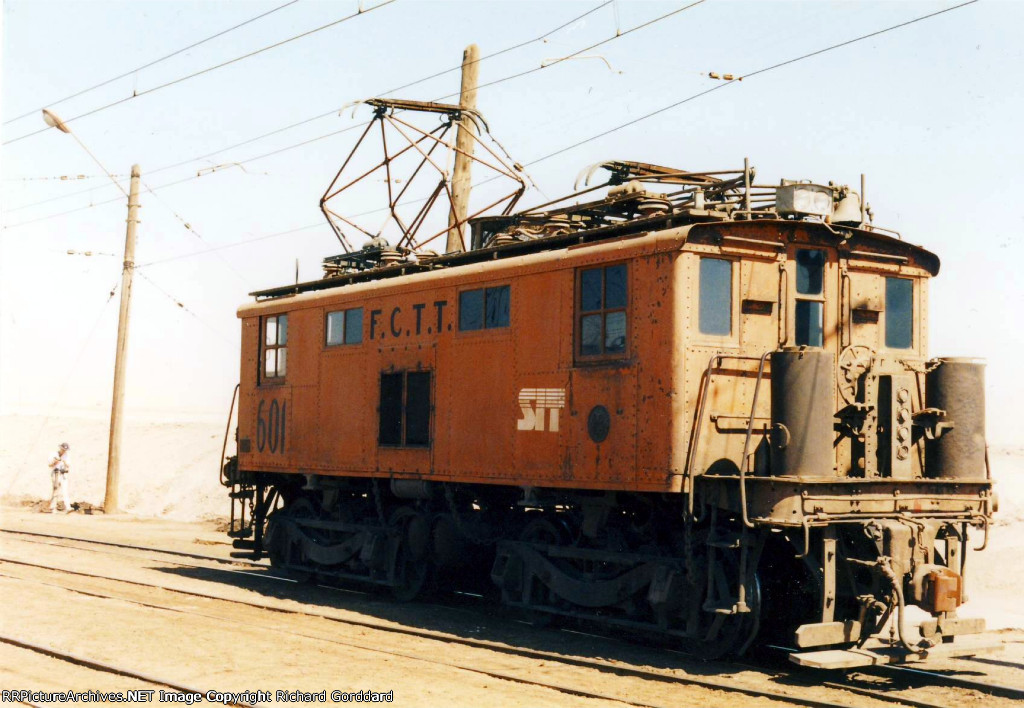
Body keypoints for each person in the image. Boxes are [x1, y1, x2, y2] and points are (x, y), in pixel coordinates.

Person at [48, 442, 73, 513]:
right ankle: (53, 507)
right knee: (55, 490)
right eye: (62, 449)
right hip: (56, 473)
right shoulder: (53, 454)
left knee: (65, 490)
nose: (64, 451)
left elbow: (68, 465)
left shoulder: (66, 456)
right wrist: (55, 461)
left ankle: (68, 507)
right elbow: (50, 465)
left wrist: (64, 462)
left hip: (63, 473)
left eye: (65, 450)